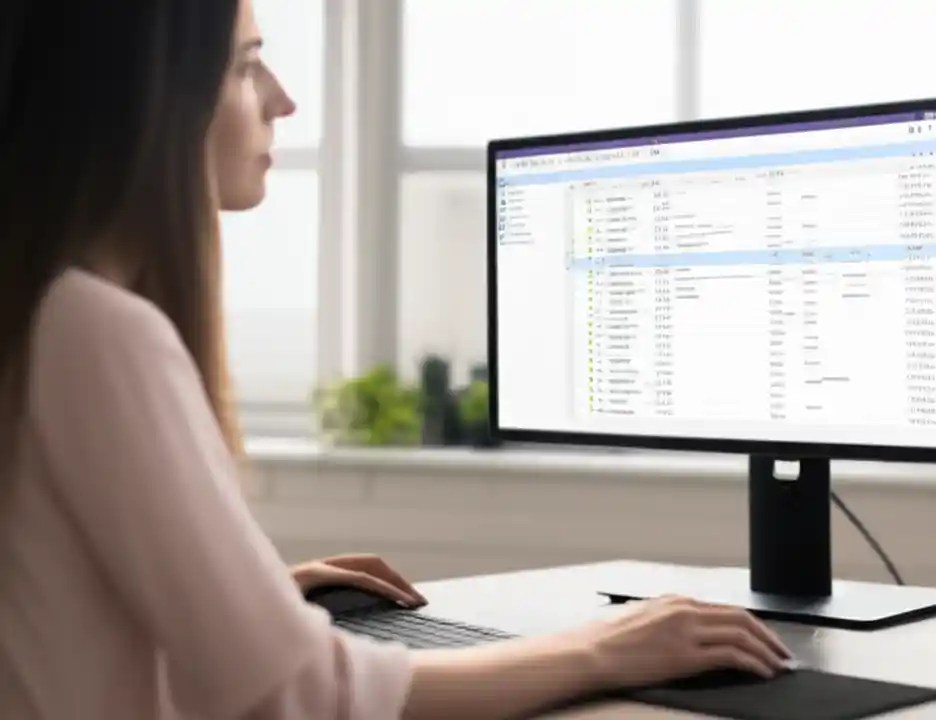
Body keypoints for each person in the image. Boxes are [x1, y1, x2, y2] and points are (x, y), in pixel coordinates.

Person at [0, 1, 792, 718]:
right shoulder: (96, 330)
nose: (282, 99)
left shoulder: (41, 313)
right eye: (245, 66)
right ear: (148, 98)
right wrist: (602, 649)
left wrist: (252, 603)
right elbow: (304, 696)